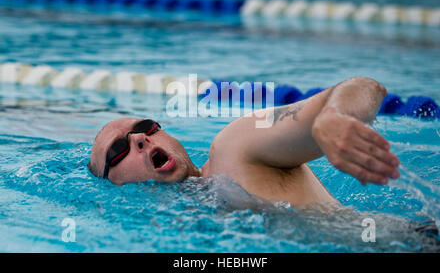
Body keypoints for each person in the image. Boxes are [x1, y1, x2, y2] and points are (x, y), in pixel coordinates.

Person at [88, 77, 401, 208]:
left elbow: (365, 88)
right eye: (118, 149)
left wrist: (332, 116)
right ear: (110, 184)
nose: (141, 138)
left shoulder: (235, 148)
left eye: (145, 127)